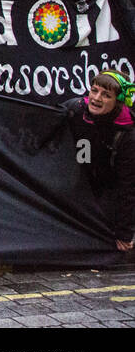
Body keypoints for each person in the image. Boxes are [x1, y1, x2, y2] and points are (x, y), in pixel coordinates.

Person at [62, 70, 135, 251]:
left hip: (110, 188)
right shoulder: (75, 109)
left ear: (118, 101)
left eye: (106, 95)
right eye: (94, 90)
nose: (96, 98)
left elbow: (127, 187)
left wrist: (124, 233)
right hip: (79, 181)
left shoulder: (128, 135)